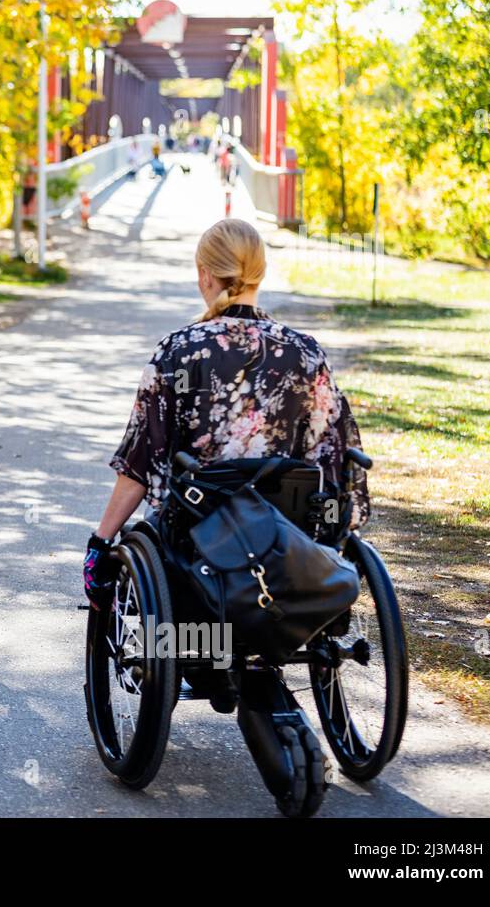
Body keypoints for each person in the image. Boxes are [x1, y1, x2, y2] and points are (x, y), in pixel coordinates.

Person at [82, 218, 368, 704]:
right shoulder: (304, 352)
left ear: (205, 275)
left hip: (201, 544)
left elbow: (140, 461)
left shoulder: (178, 351)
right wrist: (339, 536)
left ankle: (189, 654)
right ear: (258, 273)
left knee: (153, 532)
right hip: (287, 540)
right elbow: (334, 455)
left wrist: (101, 542)